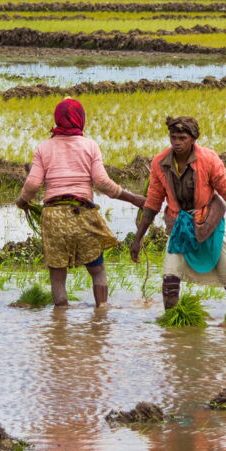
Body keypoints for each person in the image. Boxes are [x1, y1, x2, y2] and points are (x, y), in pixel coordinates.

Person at [16, 98, 146, 308]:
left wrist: (22, 201)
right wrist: (133, 199)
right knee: (97, 269)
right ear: (81, 119)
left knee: (57, 274)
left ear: (57, 119)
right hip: (82, 213)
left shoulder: (44, 148)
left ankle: (60, 320)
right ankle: (101, 312)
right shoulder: (89, 146)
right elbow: (102, 182)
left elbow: (32, 184)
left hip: (54, 217)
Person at [129, 116, 226, 314]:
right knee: (170, 280)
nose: (177, 143)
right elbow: (153, 203)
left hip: (209, 223)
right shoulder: (160, 163)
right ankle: (172, 330)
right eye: (173, 137)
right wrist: (138, 239)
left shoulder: (207, 159)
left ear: (193, 139)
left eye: (182, 138)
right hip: (179, 226)